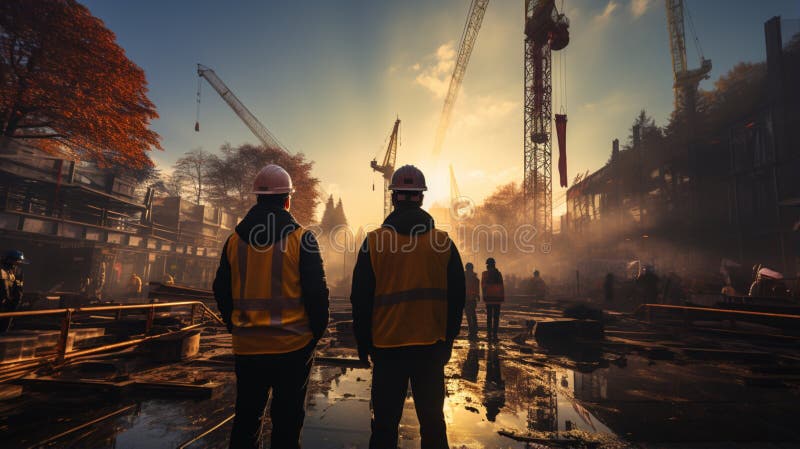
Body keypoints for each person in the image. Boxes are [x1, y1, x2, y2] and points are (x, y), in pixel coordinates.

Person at [213, 164, 329, 449]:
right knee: (287, 424)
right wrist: (313, 336)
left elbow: (221, 290)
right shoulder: (302, 239)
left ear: (257, 198)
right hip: (292, 347)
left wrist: (236, 326)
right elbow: (318, 296)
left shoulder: (234, 241)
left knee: (247, 420)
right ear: (287, 199)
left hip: (248, 347)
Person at [351, 164, 465, 449]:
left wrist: (364, 345)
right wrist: (447, 340)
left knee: (385, 427)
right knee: (433, 425)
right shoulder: (442, 242)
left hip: (388, 350)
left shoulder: (374, 241)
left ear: (393, 197)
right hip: (430, 350)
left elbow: (360, 299)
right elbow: (457, 298)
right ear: (421, 198)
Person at [0, 250, 26, 333]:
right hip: (3, 301)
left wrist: (16, 301)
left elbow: (18, 288)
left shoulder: (17, 271)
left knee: (5, 323)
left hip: (9, 302)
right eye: (17, 261)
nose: (18, 264)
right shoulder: (2, 269)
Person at [482, 258, 504, 342]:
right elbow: (502, 286)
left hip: (489, 299)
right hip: (497, 299)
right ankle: (495, 334)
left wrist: (484, 296)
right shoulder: (498, 274)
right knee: (496, 317)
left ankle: (489, 333)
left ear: (487, 265)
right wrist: (502, 297)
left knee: (489, 317)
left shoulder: (485, 274)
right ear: (494, 264)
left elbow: (483, 286)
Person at [464, 262, 480, 340]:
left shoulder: (463, 277)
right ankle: (474, 330)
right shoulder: (475, 278)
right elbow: (477, 288)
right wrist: (477, 295)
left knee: (469, 315)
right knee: (473, 314)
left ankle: (471, 330)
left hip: (466, 299)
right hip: (472, 299)